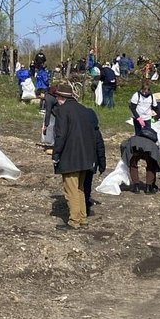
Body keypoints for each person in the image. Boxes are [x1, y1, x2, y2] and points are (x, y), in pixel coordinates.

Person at [51, 84, 98, 230]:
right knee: (80, 189)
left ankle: (74, 221)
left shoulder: (62, 111)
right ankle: (83, 218)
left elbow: (60, 135)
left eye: (57, 97)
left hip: (70, 156)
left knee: (71, 190)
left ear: (62, 97)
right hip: (86, 156)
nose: (57, 100)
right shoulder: (84, 110)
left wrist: (56, 154)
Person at [82, 104, 107, 216]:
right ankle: (86, 205)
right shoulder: (96, 132)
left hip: (80, 162)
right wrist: (102, 165)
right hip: (91, 163)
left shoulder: (80, 132)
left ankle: (81, 206)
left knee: (80, 185)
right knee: (87, 185)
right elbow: (100, 149)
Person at [120, 127, 160, 193]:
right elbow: (155, 162)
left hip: (135, 148)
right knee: (151, 167)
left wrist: (125, 157)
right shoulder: (153, 145)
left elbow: (123, 145)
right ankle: (148, 187)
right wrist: (153, 183)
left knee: (133, 165)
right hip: (150, 150)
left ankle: (136, 187)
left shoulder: (134, 139)